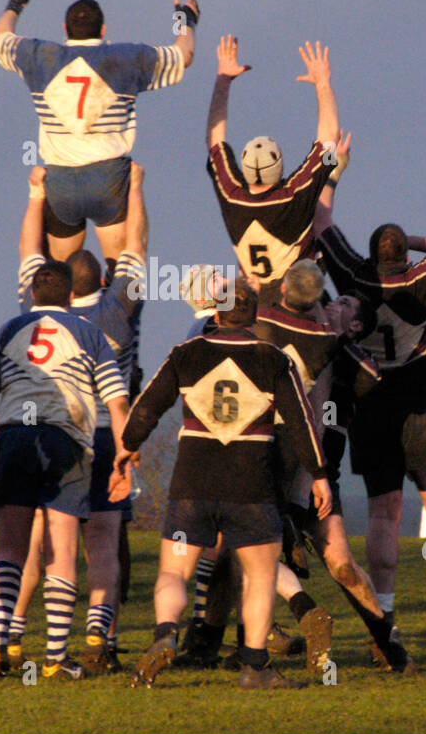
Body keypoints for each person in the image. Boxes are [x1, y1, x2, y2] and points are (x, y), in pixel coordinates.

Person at [117, 277, 333, 690]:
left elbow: (146, 408)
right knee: (260, 574)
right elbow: (303, 423)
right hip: (250, 486)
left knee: (174, 570)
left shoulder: (187, 353)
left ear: (214, 312)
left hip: (191, 485)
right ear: (254, 318)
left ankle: (165, 634)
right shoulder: (272, 358)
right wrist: (319, 475)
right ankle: (255, 667)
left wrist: (126, 450)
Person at [312, 184, 426, 652]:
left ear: (370, 254)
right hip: (417, 395)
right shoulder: (419, 279)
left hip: (370, 399)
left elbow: (322, 225)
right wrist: (408, 241)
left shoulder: (353, 275)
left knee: (383, 513)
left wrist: (331, 177)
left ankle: (384, 617)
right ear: (403, 255)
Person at [2, 162, 147, 674]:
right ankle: (96, 635)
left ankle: (10, 637)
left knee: (39, 544)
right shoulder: (120, 311)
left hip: (52, 435)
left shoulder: (31, 311)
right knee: (102, 545)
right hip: (106, 435)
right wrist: (135, 190)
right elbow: (136, 250)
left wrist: (36, 193)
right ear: (103, 280)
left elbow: (28, 253)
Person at [254, 260, 418, 674]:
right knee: (247, 546)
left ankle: (386, 642)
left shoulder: (347, 357)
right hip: (276, 459)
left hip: (319, 473)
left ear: (356, 326)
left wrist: (335, 340)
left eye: (343, 303)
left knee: (342, 563)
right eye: (331, 297)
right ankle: (246, 646)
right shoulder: (291, 331)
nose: (333, 303)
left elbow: (367, 377)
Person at [0, 260, 130, 680]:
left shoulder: (6, 331)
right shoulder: (90, 334)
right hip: (66, 441)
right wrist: (123, 456)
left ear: (31, 294)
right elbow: (117, 402)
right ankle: (56, 659)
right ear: (71, 296)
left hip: (14, 439)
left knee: (10, 549)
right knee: (60, 552)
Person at [0, 0, 197, 263]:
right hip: (110, 179)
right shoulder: (126, 58)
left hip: (60, 181)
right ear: (103, 30)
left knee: (60, 282)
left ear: (65, 28)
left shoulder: (39, 56)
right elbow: (183, 55)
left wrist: (16, 3)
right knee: (122, 274)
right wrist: (183, 19)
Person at [206, 35, 346, 307]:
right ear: (280, 167)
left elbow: (214, 142)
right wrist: (323, 83)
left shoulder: (231, 195)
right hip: (298, 306)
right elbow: (330, 142)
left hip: (253, 307)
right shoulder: (294, 194)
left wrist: (223, 80)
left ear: (244, 169)